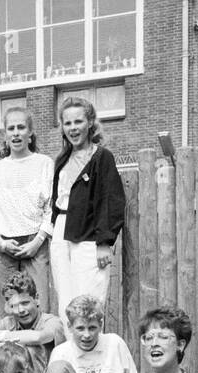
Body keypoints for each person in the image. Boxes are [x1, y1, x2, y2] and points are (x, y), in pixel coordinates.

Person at [49, 96, 125, 315]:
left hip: (89, 236)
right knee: (66, 301)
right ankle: (70, 349)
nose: (73, 128)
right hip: (61, 233)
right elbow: (57, 200)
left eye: (78, 122)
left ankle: (91, 348)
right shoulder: (62, 159)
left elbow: (110, 201)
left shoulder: (102, 157)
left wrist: (104, 243)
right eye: (68, 123)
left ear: (90, 122)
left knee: (88, 302)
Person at [0, 106, 54, 312]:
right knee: (4, 308)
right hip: (2, 248)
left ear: (30, 133)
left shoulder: (45, 164)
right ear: (5, 135)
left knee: (38, 306)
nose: (16, 132)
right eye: (11, 128)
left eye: (21, 127)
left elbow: (51, 209)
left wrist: (38, 241)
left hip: (35, 246)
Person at [0, 273, 67, 373]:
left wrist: (0, 336)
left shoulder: (51, 321)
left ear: (36, 299)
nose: (20, 310)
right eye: (14, 306)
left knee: (31, 349)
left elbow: (39, 337)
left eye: (25, 303)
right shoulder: (9, 323)